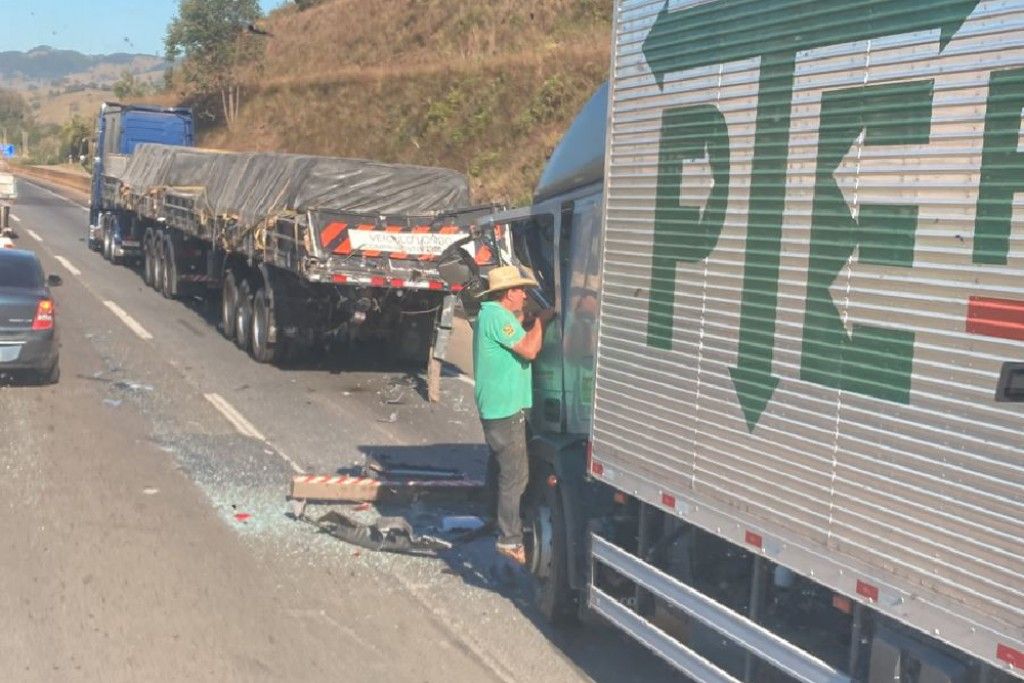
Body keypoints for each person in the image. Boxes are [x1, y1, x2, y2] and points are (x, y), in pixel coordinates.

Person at [472, 265, 555, 565]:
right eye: (521, 290)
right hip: (505, 409)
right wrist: (542, 323)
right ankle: (510, 540)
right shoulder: (497, 317)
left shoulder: (493, 315)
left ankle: (495, 517)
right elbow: (529, 349)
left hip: (497, 408)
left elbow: (516, 324)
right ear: (509, 293)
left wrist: (529, 319)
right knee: (515, 476)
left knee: (499, 466)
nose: (525, 295)